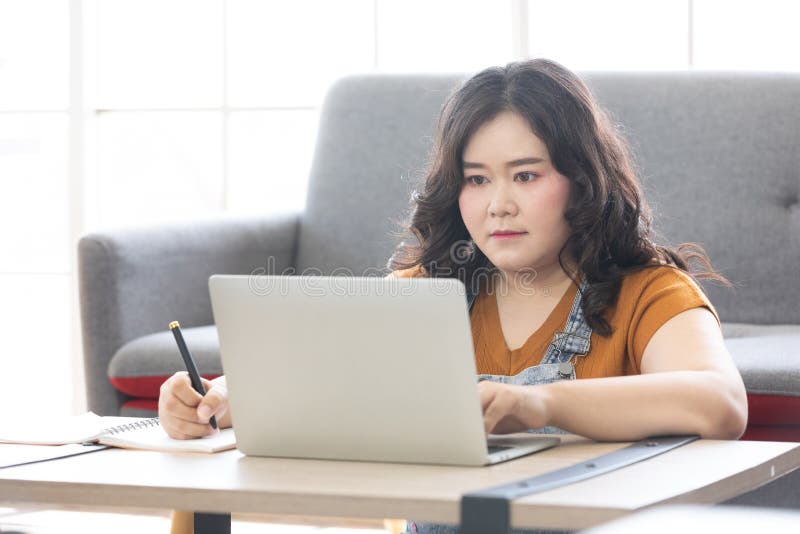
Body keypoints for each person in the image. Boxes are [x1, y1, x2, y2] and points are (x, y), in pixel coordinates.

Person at [159, 58, 748, 534]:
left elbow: (720, 402)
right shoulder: (424, 293)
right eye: (476, 179)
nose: (499, 205)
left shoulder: (649, 291)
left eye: (525, 176)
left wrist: (539, 405)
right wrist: (217, 399)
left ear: (583, 180)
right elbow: (321, 381)